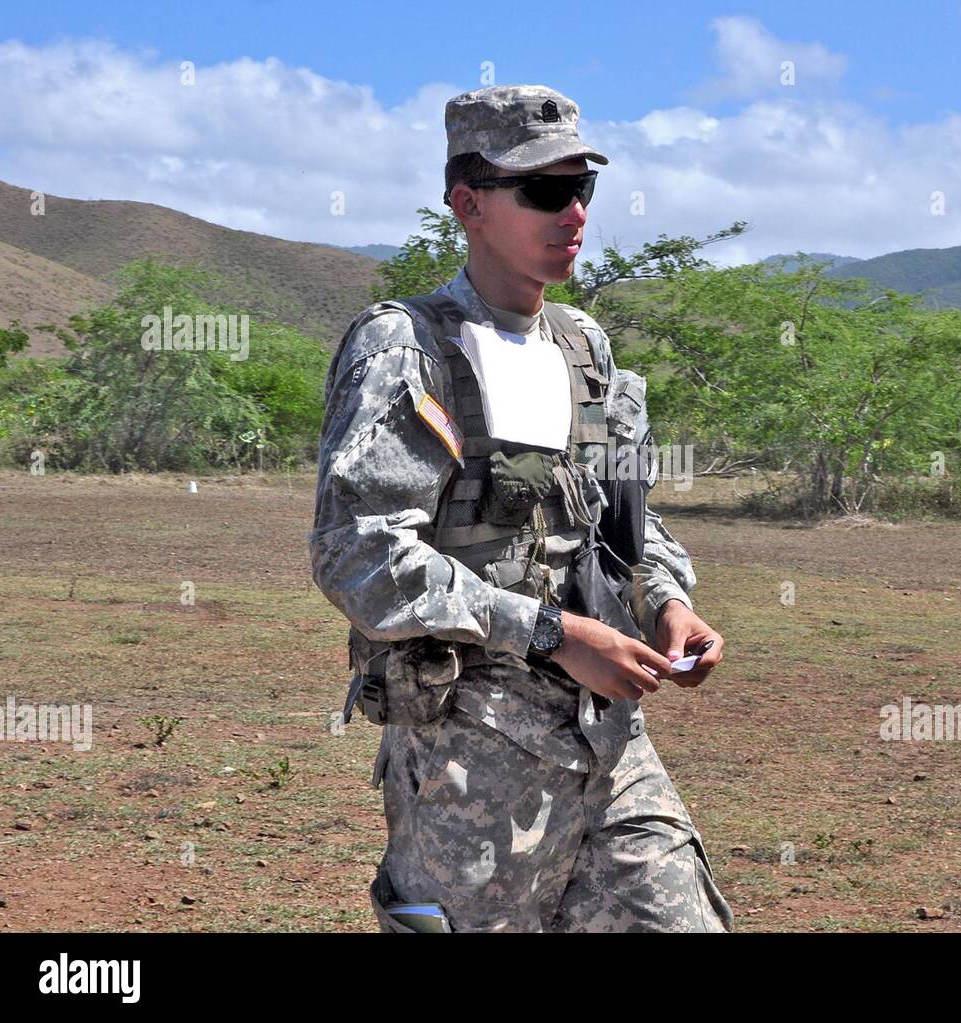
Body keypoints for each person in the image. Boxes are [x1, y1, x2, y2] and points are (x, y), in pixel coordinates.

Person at [310, 84, 734, 932]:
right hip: (470, 750)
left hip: (607, 738)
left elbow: (623, 524)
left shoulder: (584, 348)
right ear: (468, 202)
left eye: (583, 188)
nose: (573, 211)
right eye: (544, 189)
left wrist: (669, 602)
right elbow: (359, 554)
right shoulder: (409, 347)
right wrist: (551, 633)